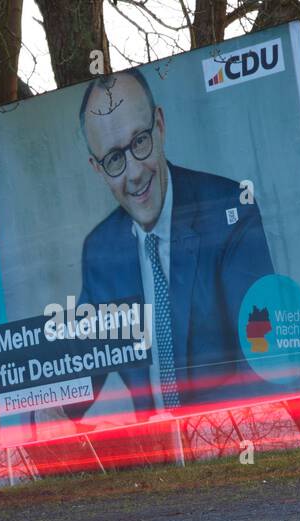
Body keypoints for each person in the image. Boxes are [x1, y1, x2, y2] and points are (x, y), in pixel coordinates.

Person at [67, 69, 276, 423]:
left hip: (226, 438)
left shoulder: (229, 210)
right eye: (115, 160)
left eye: (139, 143)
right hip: (155, 457)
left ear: (160, 126)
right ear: (98, 169)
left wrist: (194, 432)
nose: (134, 173)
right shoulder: (100, 249)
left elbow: (260, 355)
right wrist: (40, 398)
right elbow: (79, 380)